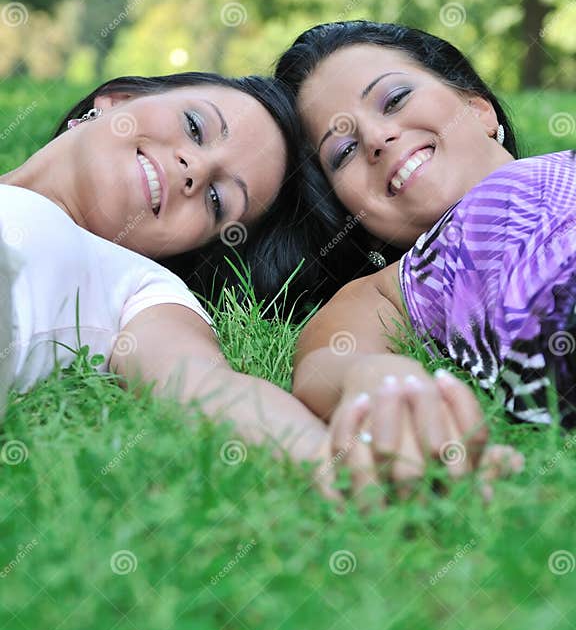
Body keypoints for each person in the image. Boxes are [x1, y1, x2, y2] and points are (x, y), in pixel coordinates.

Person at [0, 70, 341, 493]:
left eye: (216, 200)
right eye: (195, 127)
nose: (194, 169)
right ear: (118, 99)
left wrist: (333, 464)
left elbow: (202, 383)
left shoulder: (142, 286)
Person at [272, 20, 572, 486]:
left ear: (478, 109)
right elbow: (330, 359)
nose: (376, 139)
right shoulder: (407, 280)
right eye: (344, 151)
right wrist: (376, 380)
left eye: (393, 100)